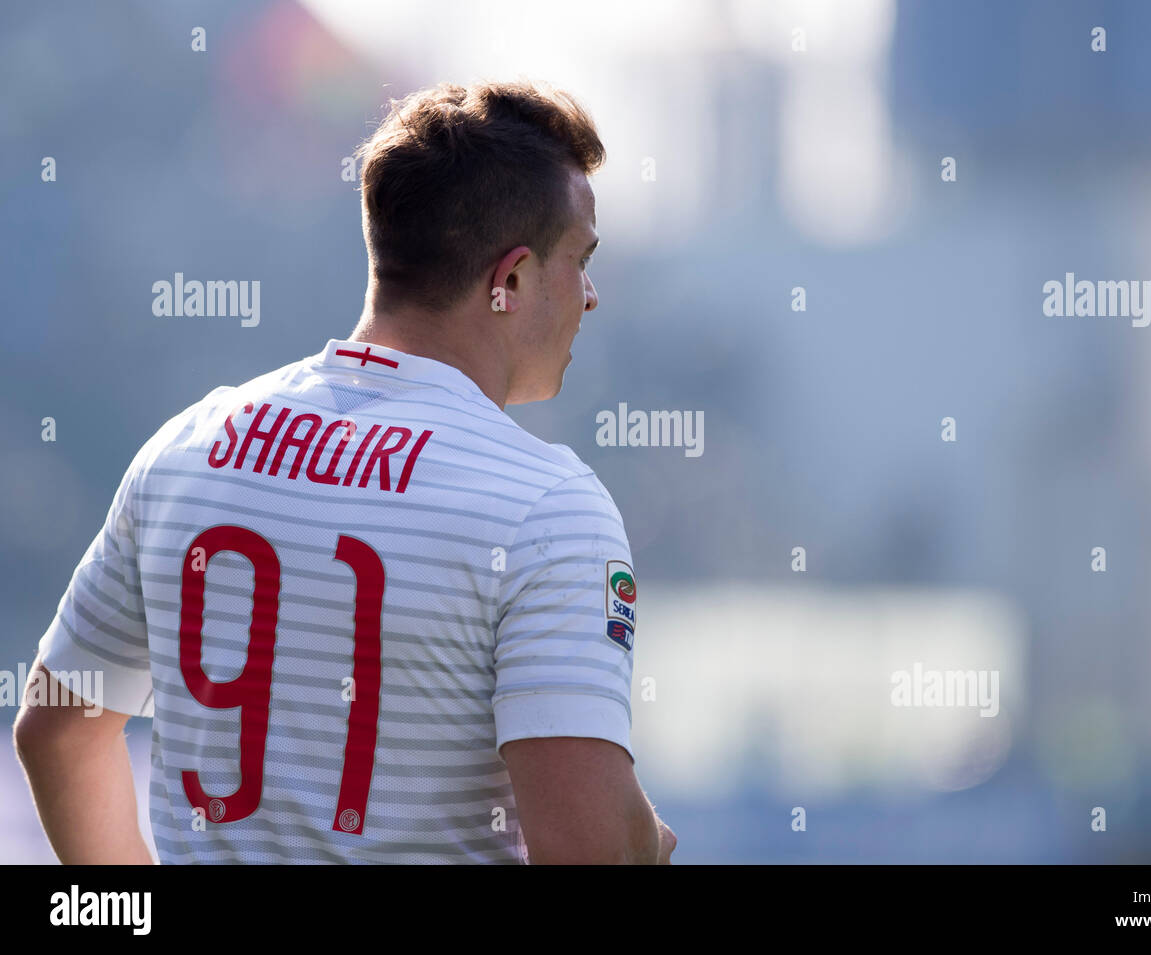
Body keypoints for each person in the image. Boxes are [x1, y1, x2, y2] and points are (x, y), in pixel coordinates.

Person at [13, 79, 675, 865]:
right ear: (511, 280)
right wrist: (641, 840)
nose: (590, 296)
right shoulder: (547, 506)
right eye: (580, 259)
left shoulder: (185, 448)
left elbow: (55, 730)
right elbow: (590, 849)